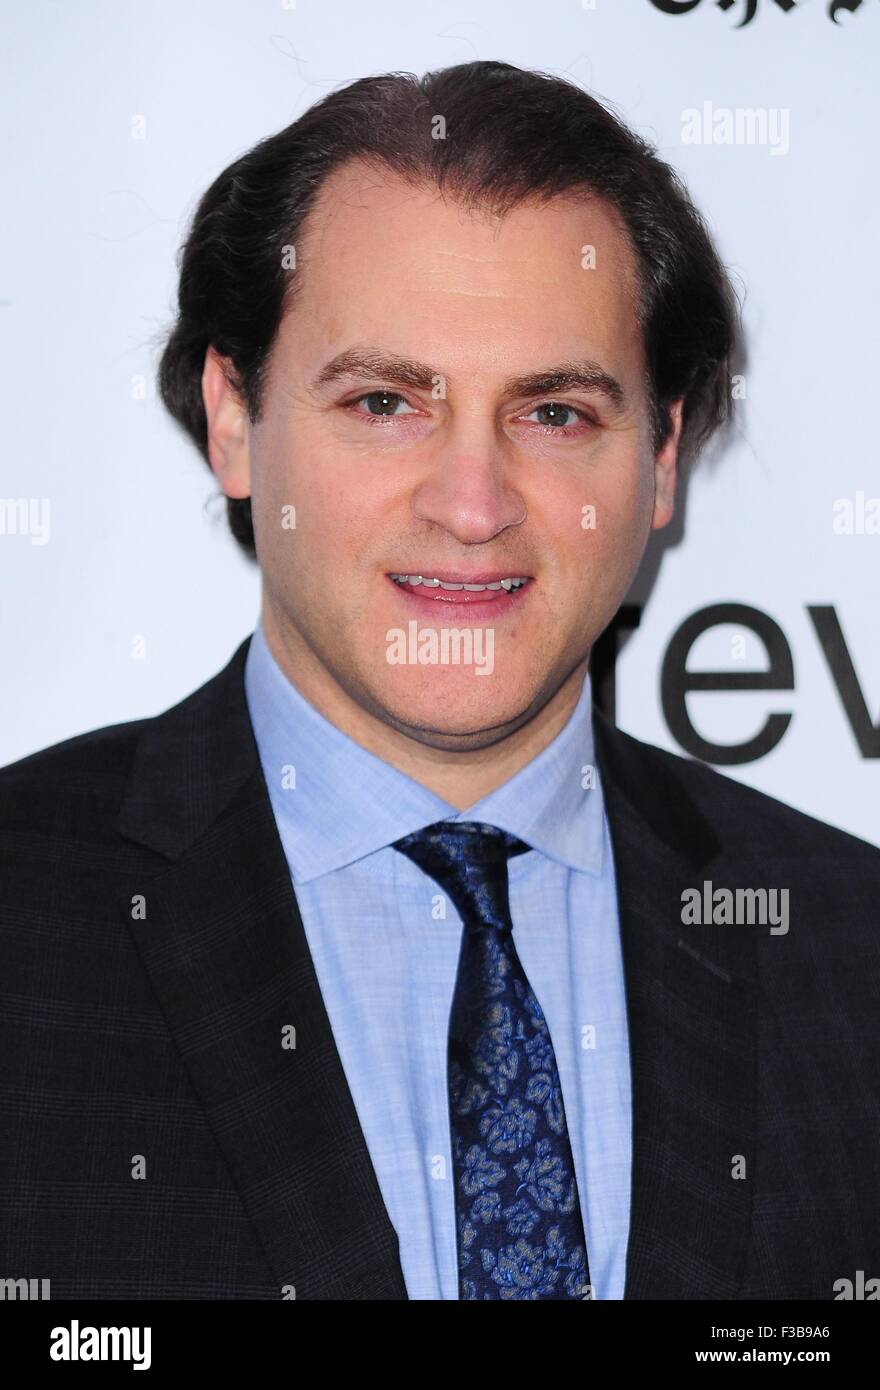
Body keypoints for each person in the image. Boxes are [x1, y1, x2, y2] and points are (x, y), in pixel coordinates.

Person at [2, 60, 878, 1302]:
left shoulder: (848, 945)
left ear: (664, 454)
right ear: (234, 419)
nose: (472, 507)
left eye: (556, 414)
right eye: (382, 401)